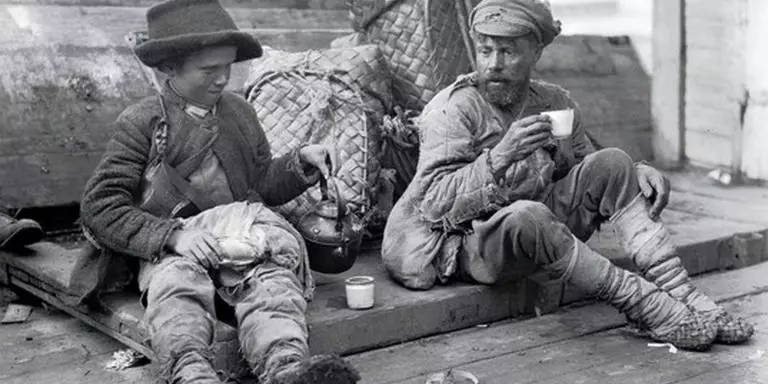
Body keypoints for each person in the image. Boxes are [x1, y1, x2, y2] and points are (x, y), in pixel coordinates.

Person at [381, 0, 754, 352]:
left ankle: (682, 293)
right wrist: (499, 157)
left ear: (536, 53)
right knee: (529, 215)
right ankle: (647, 306)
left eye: (508, 52)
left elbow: (593, 168)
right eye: (484, 50)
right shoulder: (453, 109)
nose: (493, 64)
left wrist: (636, 173)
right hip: (469, 246)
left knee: (615, 161)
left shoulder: (554, 101)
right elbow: (433, 204)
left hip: (542, 234)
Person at [79, 0, 360, 383]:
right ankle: (192, 373)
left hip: (241, 245)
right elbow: (100, 207)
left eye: (228, 67)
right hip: (173, 252)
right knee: (177, 295)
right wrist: (172, 235)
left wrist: (300, 164)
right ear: (168, 69)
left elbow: (261, 182)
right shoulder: (140, 122)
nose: (222, 79)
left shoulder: (239, 114)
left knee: (274, 287)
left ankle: (287, 368)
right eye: (209, 69)